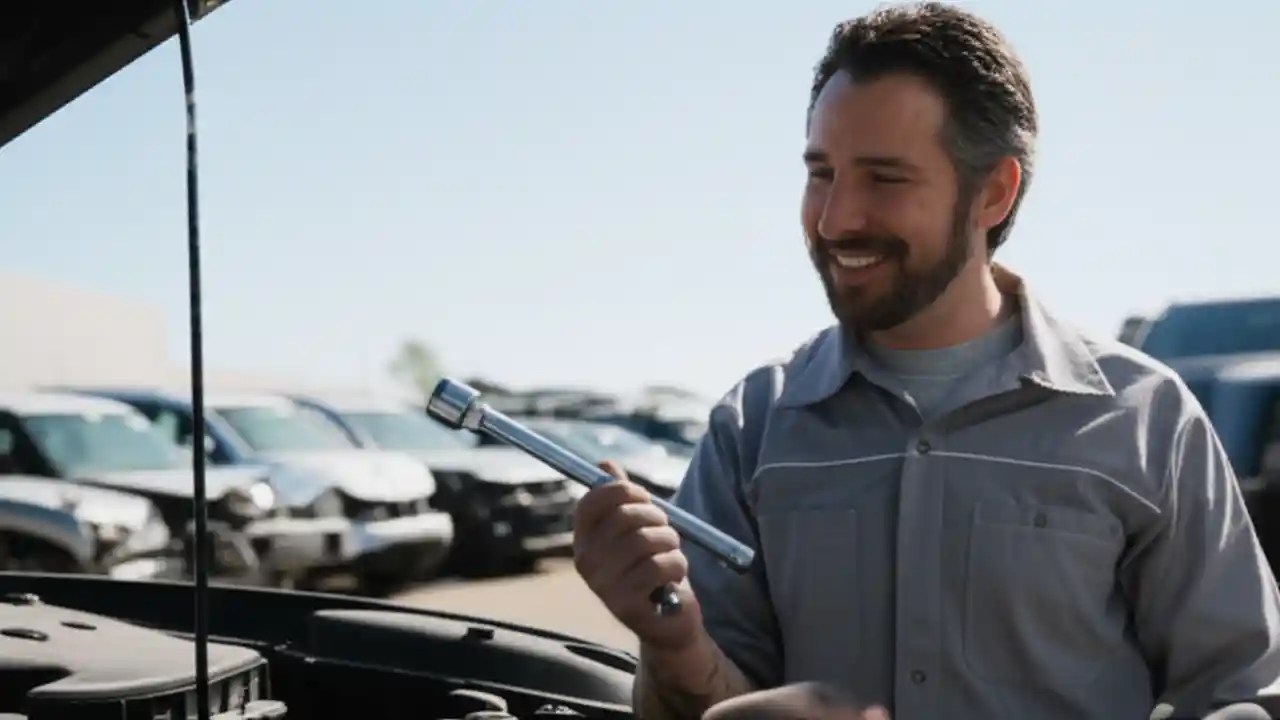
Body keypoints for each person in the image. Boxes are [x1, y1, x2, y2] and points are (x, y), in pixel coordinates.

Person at [571, 2, 1280, 719]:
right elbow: (708, 707)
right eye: (822, 173)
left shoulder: (1145, 420)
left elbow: (1240, 691)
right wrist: (673, 643)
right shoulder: (752, 427)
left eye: (885, 178)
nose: (837, 218)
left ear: (994, 193)